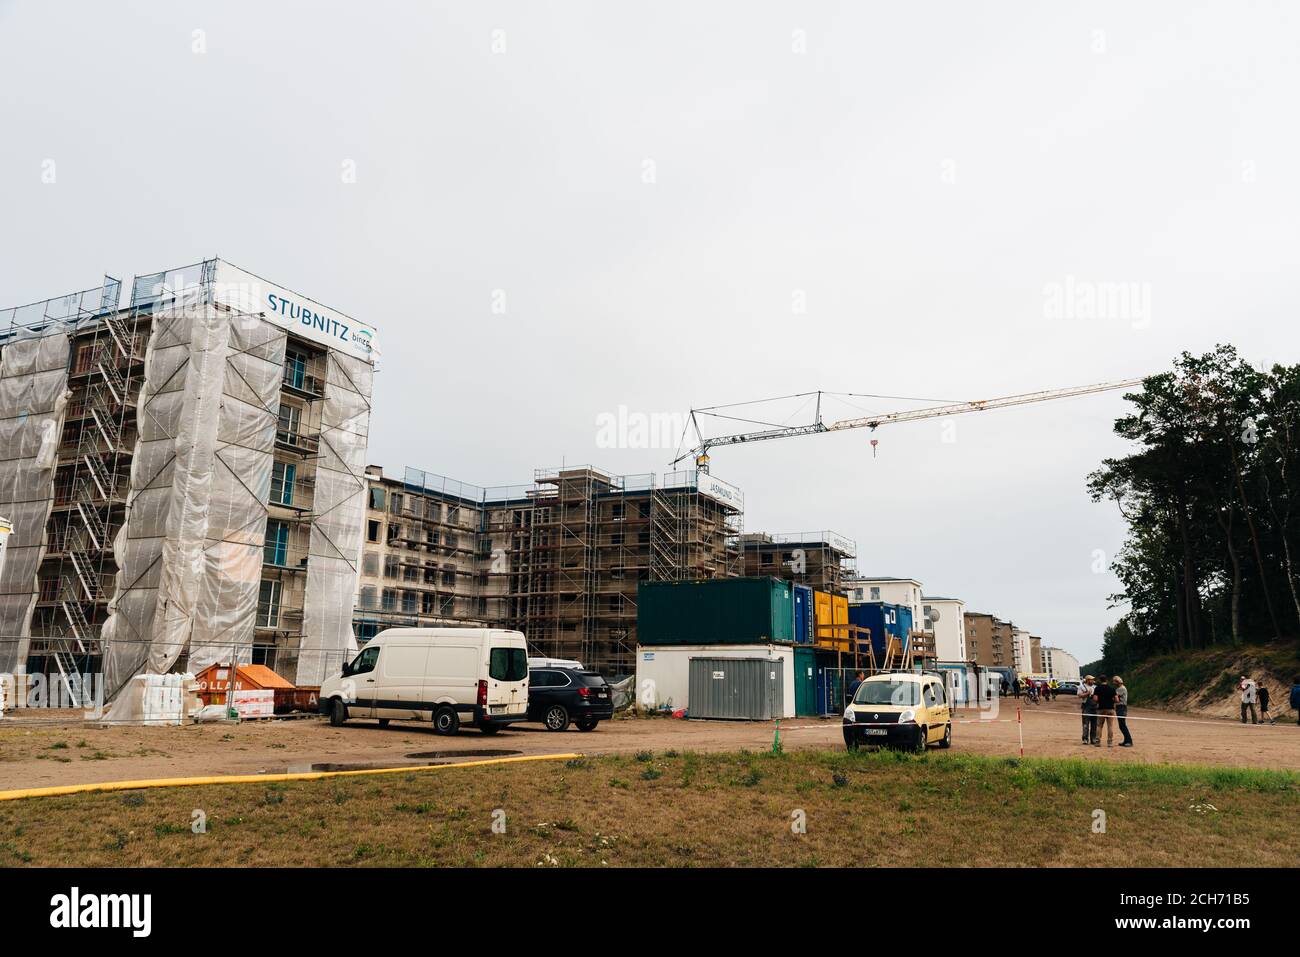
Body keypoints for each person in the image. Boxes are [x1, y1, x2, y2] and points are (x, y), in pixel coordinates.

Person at [1093, 675, 1117, 746]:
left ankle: (1098, 742)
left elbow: (1095, 699)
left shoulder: (1097, 688)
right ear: (1107, 680)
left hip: (1101, 708)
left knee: (1099, 726)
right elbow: (1117, 699)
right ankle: (1110, 742)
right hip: (1110, 709)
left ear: (1100, 680)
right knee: (1110, 726)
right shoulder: (1112, 688)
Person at [1113, 676, 1133, 747]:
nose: (1113, 683)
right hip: (1120, 707)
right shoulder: (1120, 688)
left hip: (1121, 707)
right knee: (1121, 725)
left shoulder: (1121, 689)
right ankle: (1126, 740)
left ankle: (1129, 741)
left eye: (1114, 681)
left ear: (1117, 681)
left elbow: (1115, 697)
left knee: (1122, 725)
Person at [1078, 675, 1097, 744]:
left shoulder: (1095, 687)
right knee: (1085, 724)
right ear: (1087, 680)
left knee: (1094, 724)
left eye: (1093, 680)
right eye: (1091, 680)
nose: (1093, 681)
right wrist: (1087, 693)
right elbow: (1079, 695)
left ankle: (1093, 739)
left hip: (1094, 707)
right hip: (1086, 707)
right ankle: (1085, 739)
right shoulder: (1081, 687)